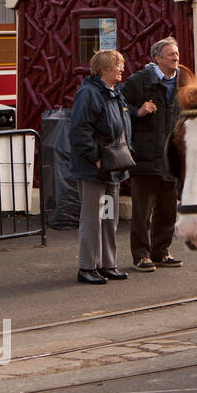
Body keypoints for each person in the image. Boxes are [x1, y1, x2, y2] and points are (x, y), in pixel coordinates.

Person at [69, 49, 133, 284]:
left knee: (108, 217)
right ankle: (87, 266)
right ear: (105, 68)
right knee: (93, 218)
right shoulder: (89, 94)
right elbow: (79, 130)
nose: (122, 69)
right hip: (95, 169)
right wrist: (95, 158)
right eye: (118, 66)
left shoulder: (114, 93)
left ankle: (107, 264)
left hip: (112, 167)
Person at [121, 37, 183, 272]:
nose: (176, 58)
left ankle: (160, 252)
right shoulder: (139, 81)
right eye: (170, 54)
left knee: (168, 210)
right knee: (142, 212)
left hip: (171, 158)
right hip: (145, 157)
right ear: (157, 58)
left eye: (176, 54)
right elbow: (118, 107)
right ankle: (141, 255)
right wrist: (138, 111)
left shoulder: (182, 82)